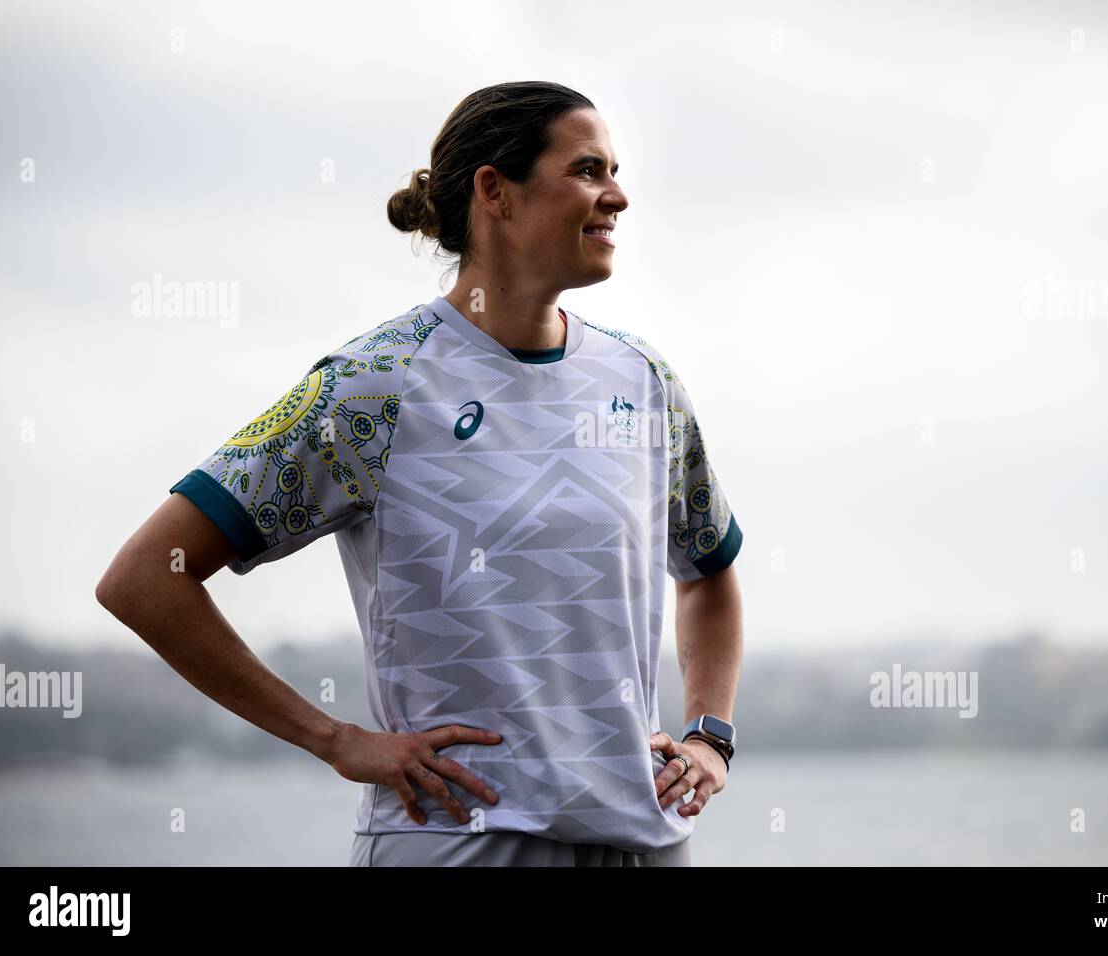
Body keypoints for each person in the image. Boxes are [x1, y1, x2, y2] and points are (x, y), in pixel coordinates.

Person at [96, 80, 744, 867]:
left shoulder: (643, 381)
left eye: (614, 170)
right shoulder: (373, 386)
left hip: (644, 842)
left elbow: (709, 571)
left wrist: (711, 736)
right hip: (456, 844)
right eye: (588, 170)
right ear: (494, 191)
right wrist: (335, 739)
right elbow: (143, 578)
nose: (619, 196)